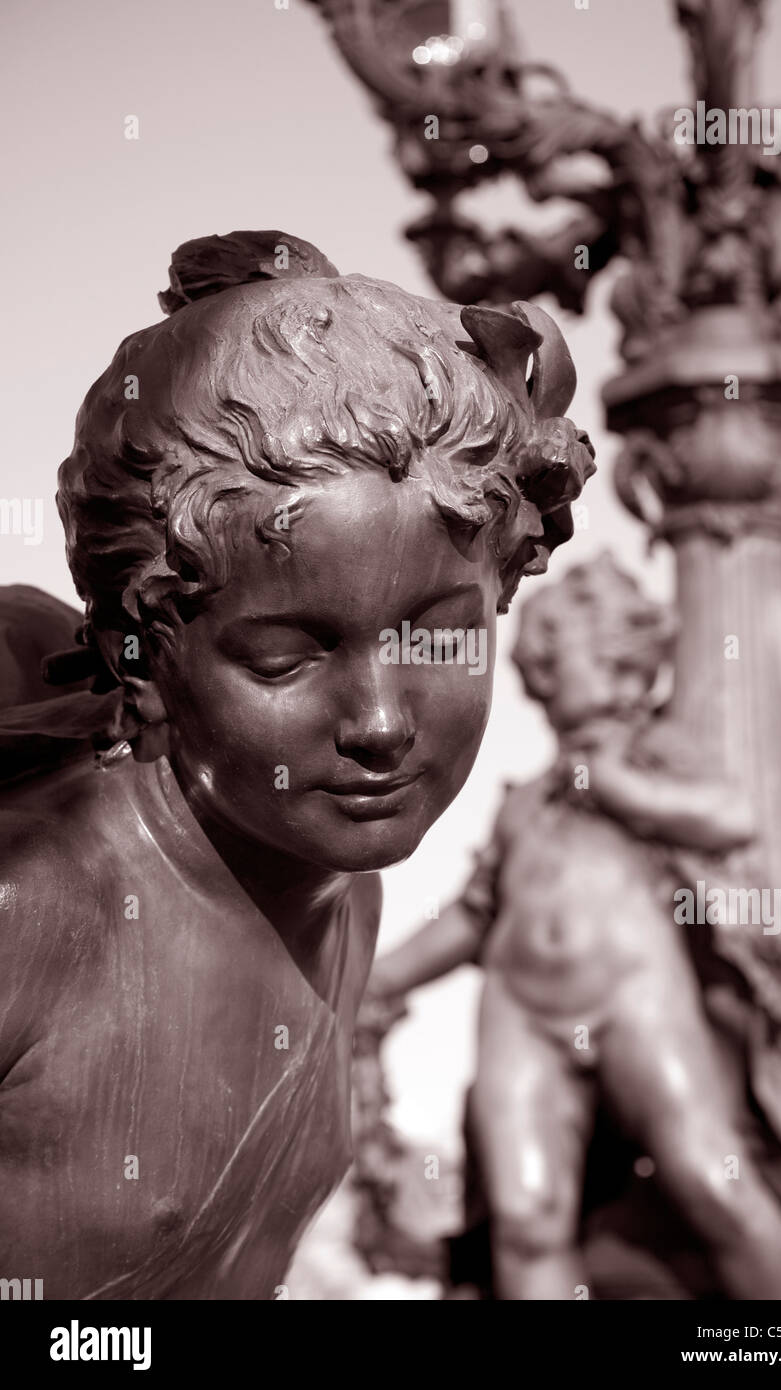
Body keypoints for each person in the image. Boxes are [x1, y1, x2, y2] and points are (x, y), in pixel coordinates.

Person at [0, 230, 594, 1299]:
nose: (379, 722)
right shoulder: (33, 912)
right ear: (144, 658)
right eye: (282, 657)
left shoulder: (346, 888)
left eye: (438, 639)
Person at [367, 554, 781, 1300]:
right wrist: (383, 974)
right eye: (555, 654)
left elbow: (730, 816)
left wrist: (622, 789)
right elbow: (476, 916)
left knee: (713, 1181)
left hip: (637, 998)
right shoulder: (527, 803)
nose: (554, 673)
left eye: (576, 651)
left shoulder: (654, 761)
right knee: (527, 1215)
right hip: (519, 1010)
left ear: (625, 664)